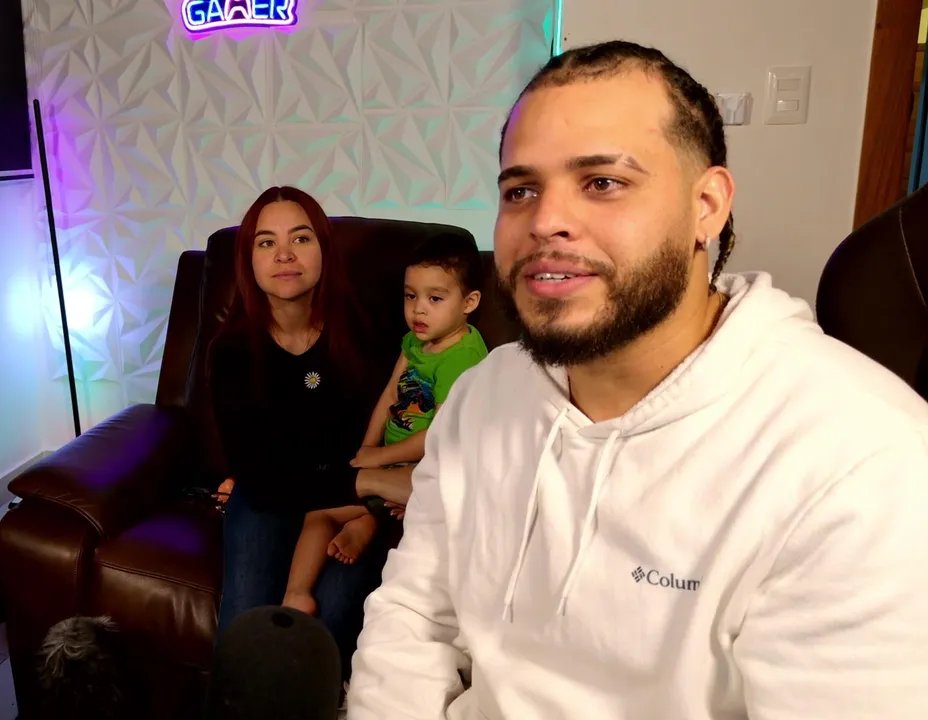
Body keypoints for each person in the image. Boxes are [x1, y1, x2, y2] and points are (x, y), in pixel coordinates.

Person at [347, 40, 928, 719]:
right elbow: (415, 619)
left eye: (603, 182)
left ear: (707, 205)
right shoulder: (484, 393)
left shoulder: (865, 460)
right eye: (521, 190)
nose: (545, 222)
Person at [208, 186, 394, 683]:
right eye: (266, 242)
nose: (285, 255)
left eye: (301, 238)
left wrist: (372, 507)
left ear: (324, 250)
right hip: (270, 497)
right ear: (248, 261)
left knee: (328, 615)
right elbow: (261, 479)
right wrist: (369, 484)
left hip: (348, 505)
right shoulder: (231, 352)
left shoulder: (366, 330)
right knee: (246, 629)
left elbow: (392, 434)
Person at [282, 236, 488, 617]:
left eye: (435, 298)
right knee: (318, 511)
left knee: (422, 485)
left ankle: (370, 516)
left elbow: (440, 436)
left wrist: (378, 458)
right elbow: (390, 394)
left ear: (469, 303)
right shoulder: (414, 342)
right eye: (411, 296)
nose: (418, 309)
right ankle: (296, 596)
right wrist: (367, 448)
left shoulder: (464, 358)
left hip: (430, 463)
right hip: (390, 460)